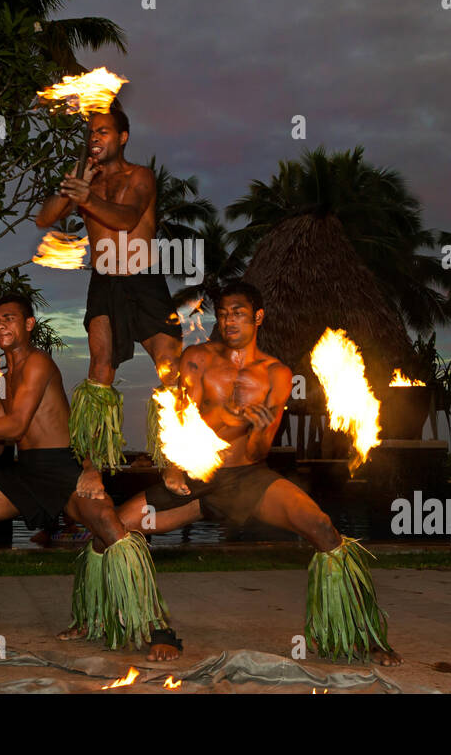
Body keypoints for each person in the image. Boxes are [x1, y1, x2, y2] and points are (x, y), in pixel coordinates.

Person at [116, 281, 402, 667]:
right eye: (223, 314)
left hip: (248, 478)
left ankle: (362, 634)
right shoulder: (197, 358)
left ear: (258, 317)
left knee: (323, 529)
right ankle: (157, 629)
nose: (229, 320)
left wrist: (252, 429)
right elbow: (179, 414)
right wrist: (174, 465)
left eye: (238, 313)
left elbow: (258, 451)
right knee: (120, 526)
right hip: (199, 478)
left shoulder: (276, 374)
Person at [0, 294, 179, 660]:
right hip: (26, 472)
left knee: (112, 530)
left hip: (63, 468)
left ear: (28, 326)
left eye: (9, 318)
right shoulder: (5, 379)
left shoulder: (37, 363)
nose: (0, 324)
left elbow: (18, 421)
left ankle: (157, 628)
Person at [34, 102, 183, 483]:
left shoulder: (141, 176)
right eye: (92, 132)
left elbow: (126, 219)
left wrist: (85, 197)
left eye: (103, 132)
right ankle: (91, 465)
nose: (95, 138)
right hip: (104, 281)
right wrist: (72, 186)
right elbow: (44, 217)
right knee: (100, 368)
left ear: (122, 138)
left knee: (171, 368)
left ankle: (178, 461)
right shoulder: (88, 180)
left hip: (144, 278)